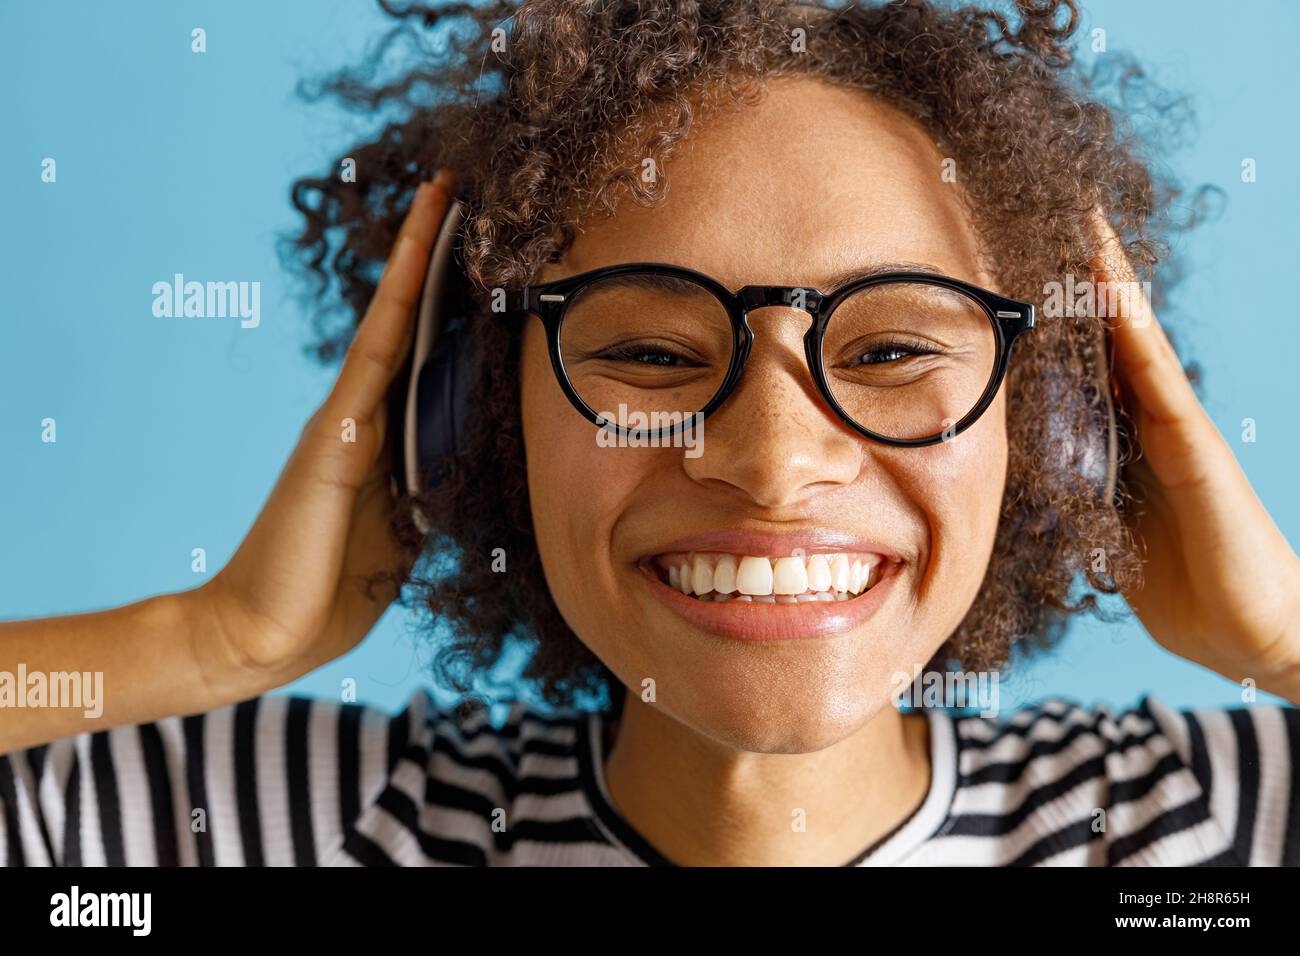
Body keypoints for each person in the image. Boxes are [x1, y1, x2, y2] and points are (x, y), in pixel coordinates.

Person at [2, 0, 1297, 867]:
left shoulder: (1204, 841)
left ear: (1064, 427)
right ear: (474, 420)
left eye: (894, 350)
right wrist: (210, 640)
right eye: (651, 354)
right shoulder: (270, 835)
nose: (777, 462)